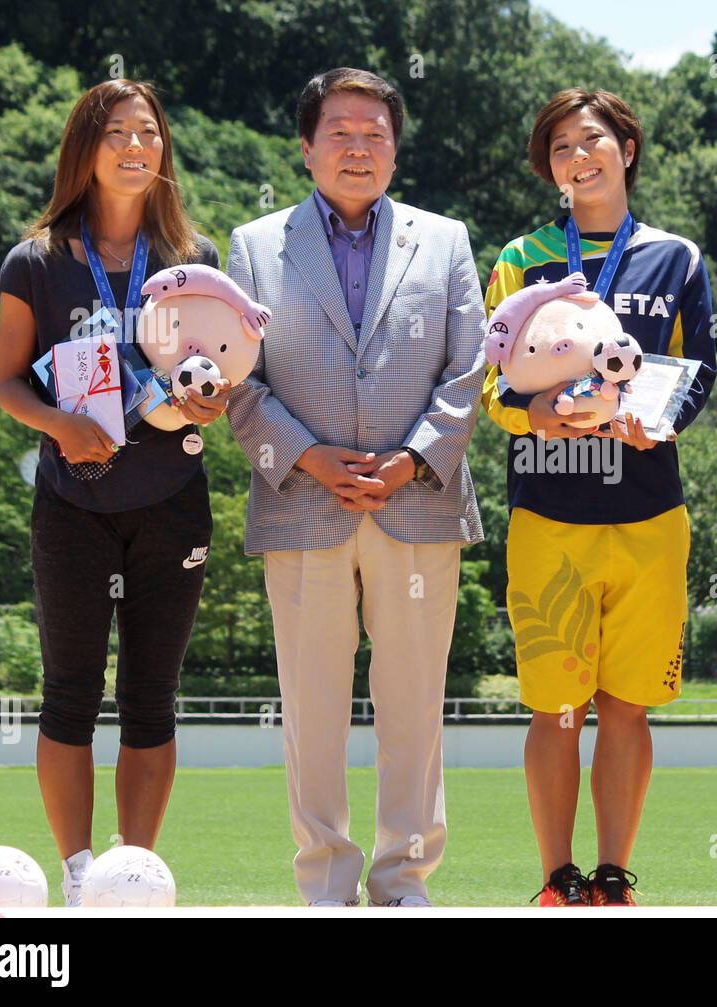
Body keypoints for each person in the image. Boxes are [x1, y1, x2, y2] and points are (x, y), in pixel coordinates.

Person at [225, 68, 486, 907]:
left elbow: (471, 367)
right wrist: (307, 456)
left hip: (419, 501)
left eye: (376, 133)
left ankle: (404, 876)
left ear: (396, 149)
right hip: (304, 503)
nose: (358, 147)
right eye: (339, 131)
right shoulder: (254, 246)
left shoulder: (444, 240)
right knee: (312, 711)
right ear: (305, 149)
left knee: (415, 705)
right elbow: (238, 380)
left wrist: (414, 456)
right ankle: (327, 879)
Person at [0, 80, 228, 905]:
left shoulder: (192, 262)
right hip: (74, 503)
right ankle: (77, 871)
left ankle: (132, 875)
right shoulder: (37, 258)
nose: (136, 146)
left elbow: (220, 374)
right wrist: (61, 426)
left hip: (172, 502)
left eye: (149, 133)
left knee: (151, 696)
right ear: (85, 148)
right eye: (117, 133)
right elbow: (8, 385)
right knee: (68, 690)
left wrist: (209, 399)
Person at [482, 88, 717, 905]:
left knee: (626, 706)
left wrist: (663, 424)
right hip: (548, 517)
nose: (579, 159)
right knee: (555, 709)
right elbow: (490, 386)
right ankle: (556, 876)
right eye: (560, 150)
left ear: (627, 146)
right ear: (550, 170)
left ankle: (613, 874)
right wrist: (538, 411)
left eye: (593, 141)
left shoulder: (677, 258)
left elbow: (702, 373)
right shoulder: (520, 258)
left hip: (651, 514)